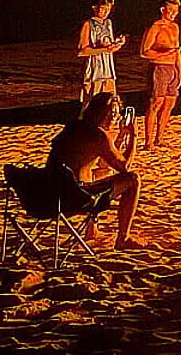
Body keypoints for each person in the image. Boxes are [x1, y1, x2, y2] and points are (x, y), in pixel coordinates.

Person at [46, 92, 144, 249]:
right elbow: (124, 167)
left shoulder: (73, 127)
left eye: (118, 114)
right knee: (133, 179)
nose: (116, 118)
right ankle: (123, 238)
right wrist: (134, 136)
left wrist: (121, 137)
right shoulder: (98, 135)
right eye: (112, 114)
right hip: (75, 198)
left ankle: (92, 228)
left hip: (49, 195)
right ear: (100, 113)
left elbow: (107, 162)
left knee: (100, 173)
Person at [140, 0, 181, 150]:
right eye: (170, 10)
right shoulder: (155, 27)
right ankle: (148, 142)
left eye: (175, 11)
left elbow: (177, 51)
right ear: (162, 9)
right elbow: (144, 52)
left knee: (169, 104)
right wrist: (163, 54)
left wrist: (180, 70)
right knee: (155, 103)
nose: (173, 14)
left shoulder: (175, 27)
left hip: (172, 69)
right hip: (159, 67)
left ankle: (160, 138)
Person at [77, 0, 126, 104]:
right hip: (94, 70)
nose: (105, 12)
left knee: (110, 102)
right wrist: (104, 49)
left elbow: (109, 47)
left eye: (108, 9)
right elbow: (82, 51)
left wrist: (117, 44)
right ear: (94, 7)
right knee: (91, 104)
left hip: (108, 70)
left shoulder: (108, 23)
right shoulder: (88, 24)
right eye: (103, 9)